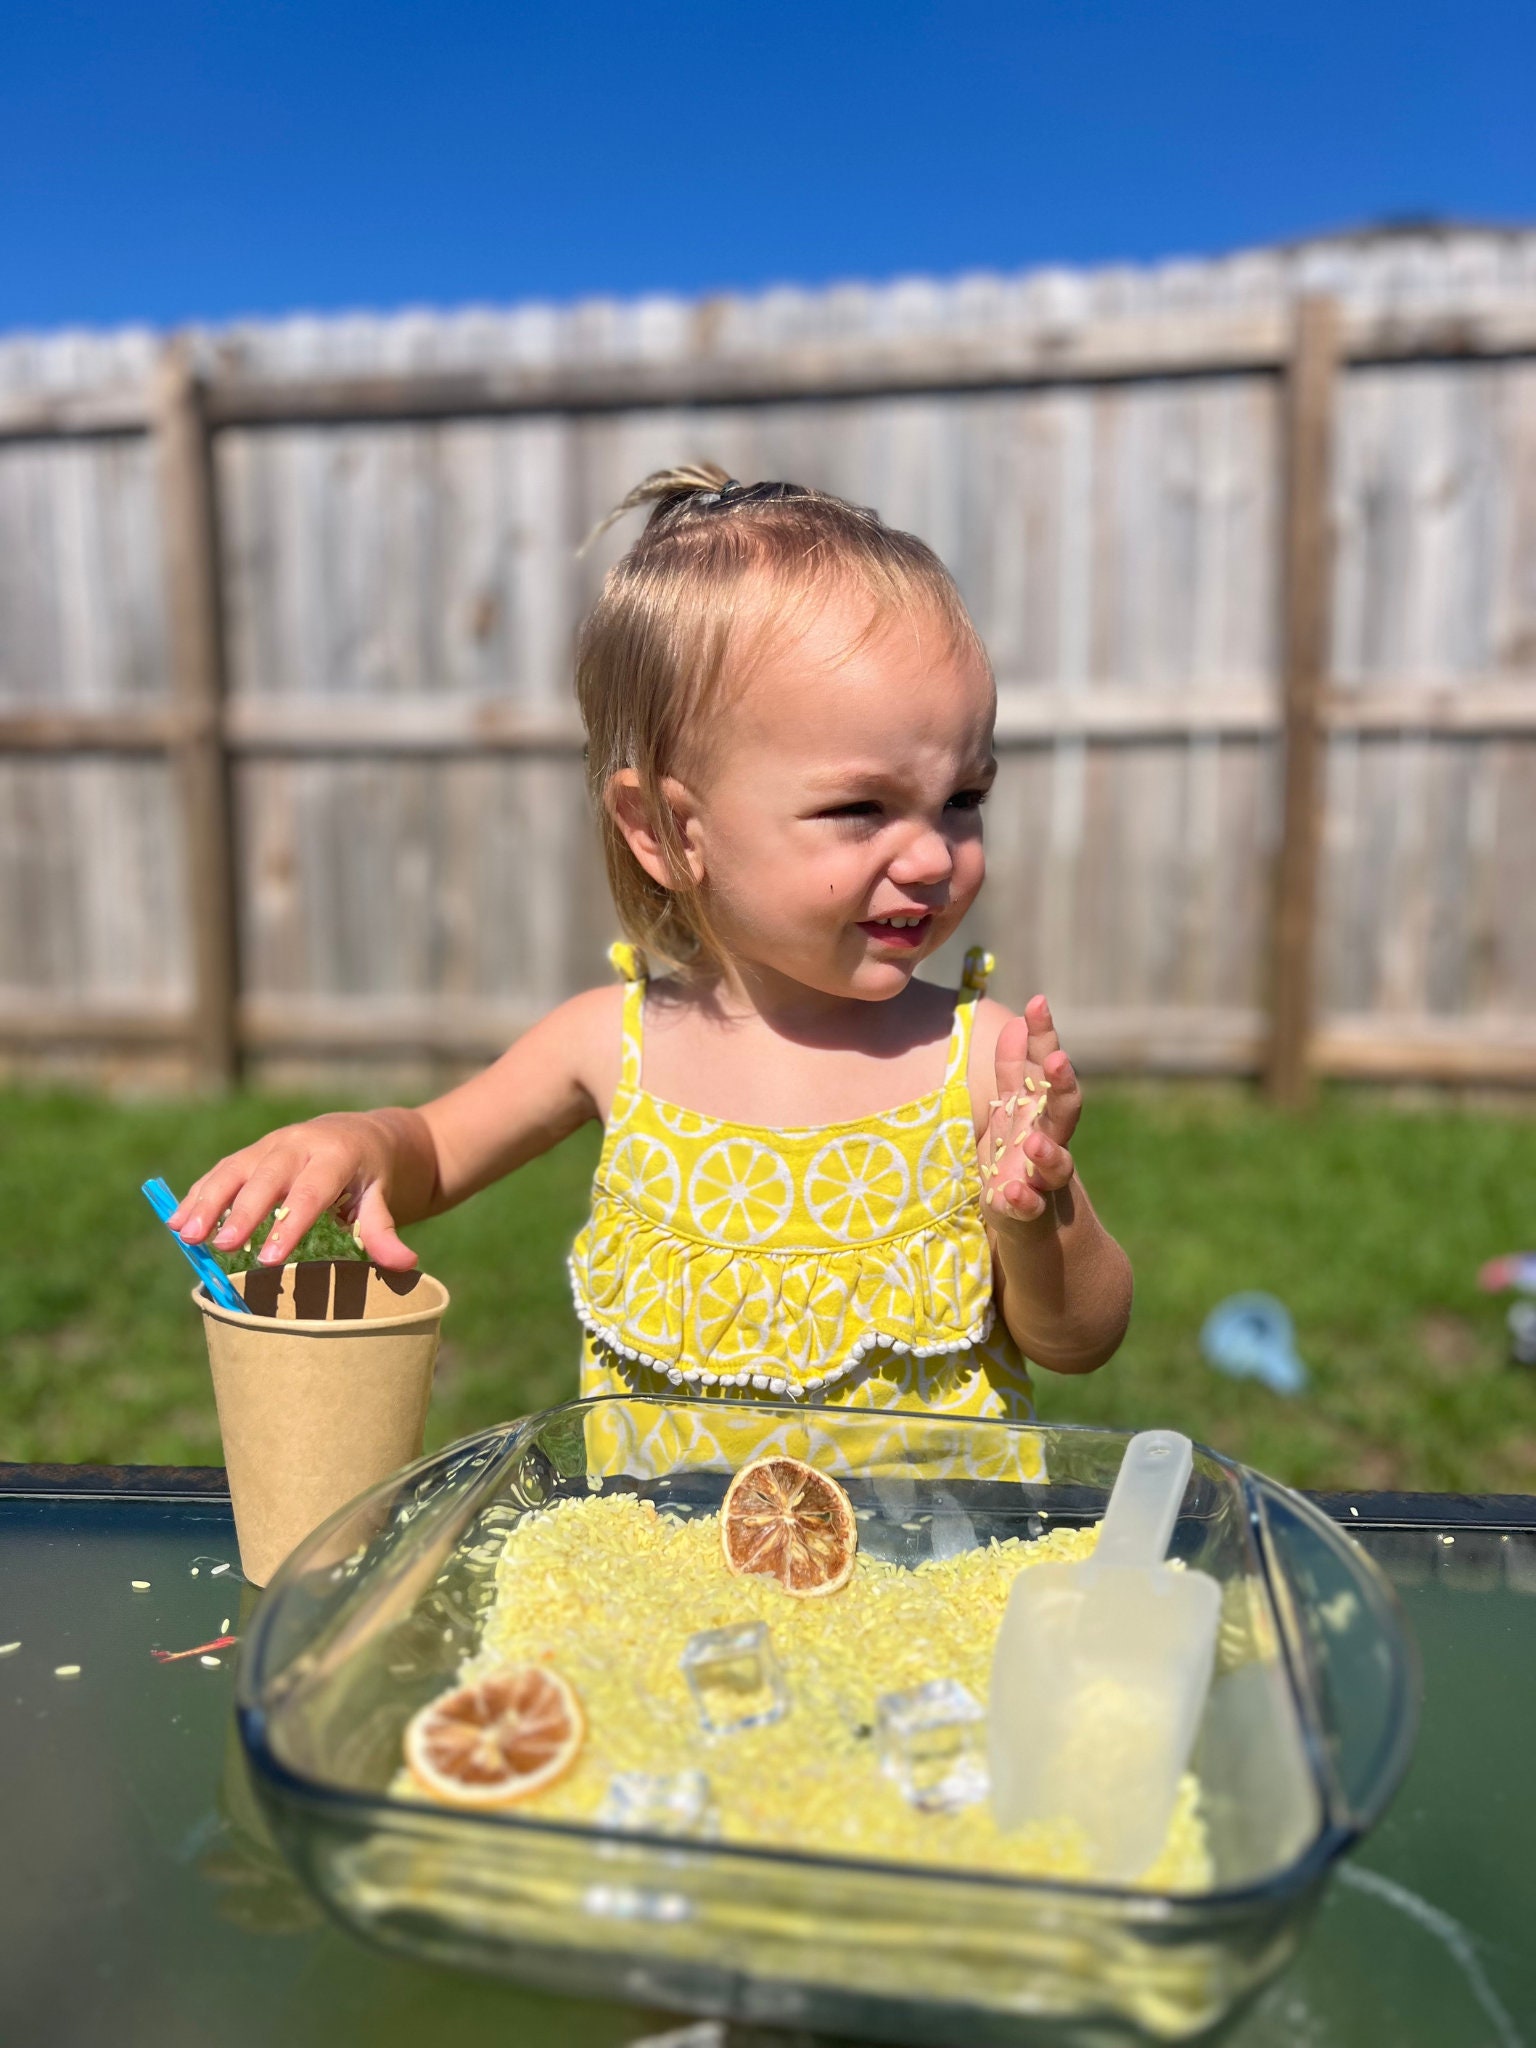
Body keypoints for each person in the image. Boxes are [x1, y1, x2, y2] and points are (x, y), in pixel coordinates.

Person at [171, 466, 1132, 1464]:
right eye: (862, 808)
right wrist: (360, 1140)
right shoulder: (608, 1042)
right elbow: (432, 1151)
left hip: (934, 1553)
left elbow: (1082, 1340)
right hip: (660, 1557)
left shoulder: (973, 1059)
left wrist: (1036, 1219)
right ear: (667, 829)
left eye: (962, 799)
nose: (933, 855)